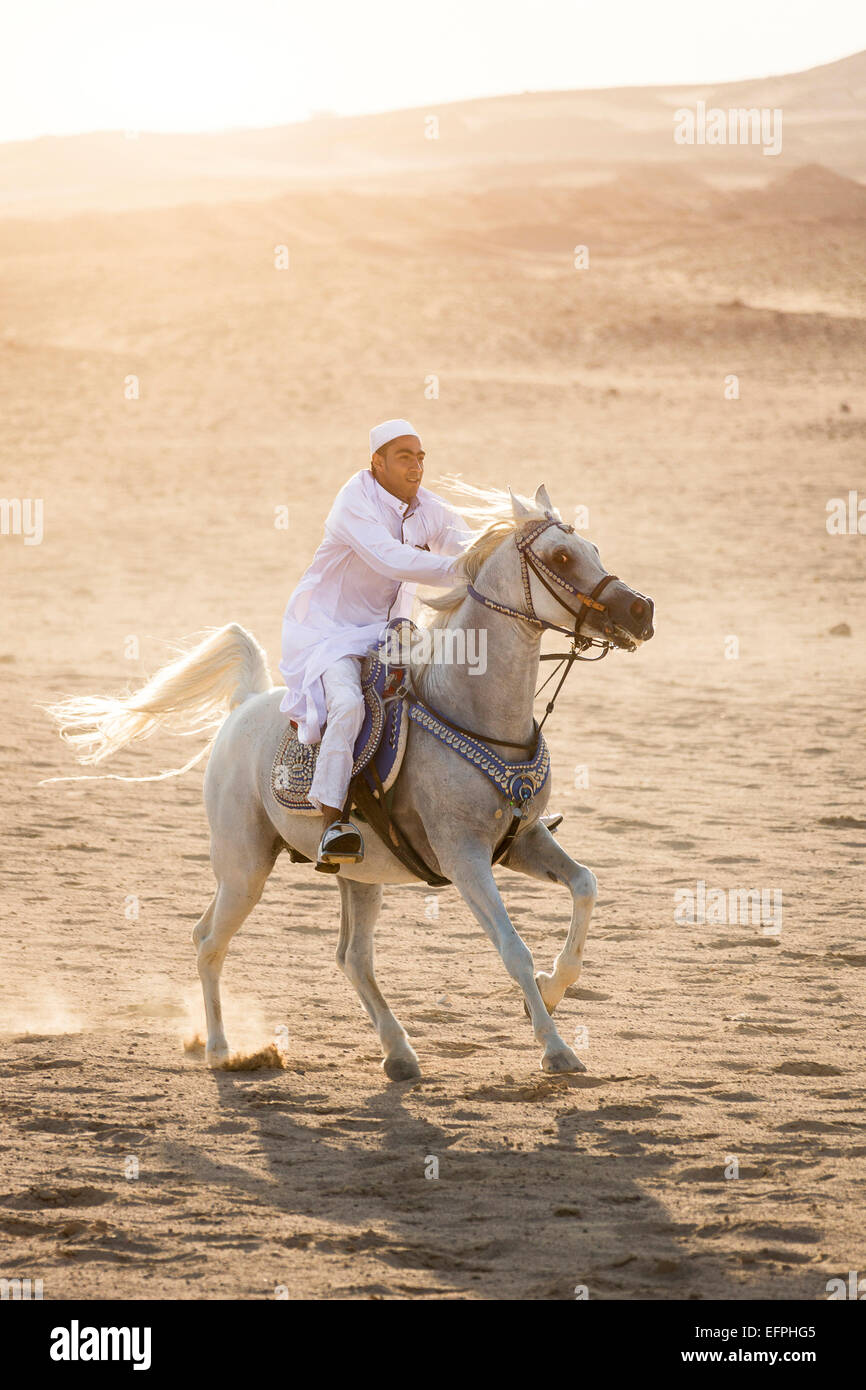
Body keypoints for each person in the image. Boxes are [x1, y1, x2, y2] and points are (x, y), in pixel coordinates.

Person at [279, 419, 473, 869]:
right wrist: (464, 569)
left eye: (421, 456)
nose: (416, 465)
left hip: (395, 633)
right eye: (405, 456)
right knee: (347, 706)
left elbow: (466, 543)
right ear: (377, 462)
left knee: (458, 688)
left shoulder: (429, 507)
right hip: (330, 631)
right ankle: (331, 823)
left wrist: (500, 555)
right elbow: (389, 558)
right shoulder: (354, 500)